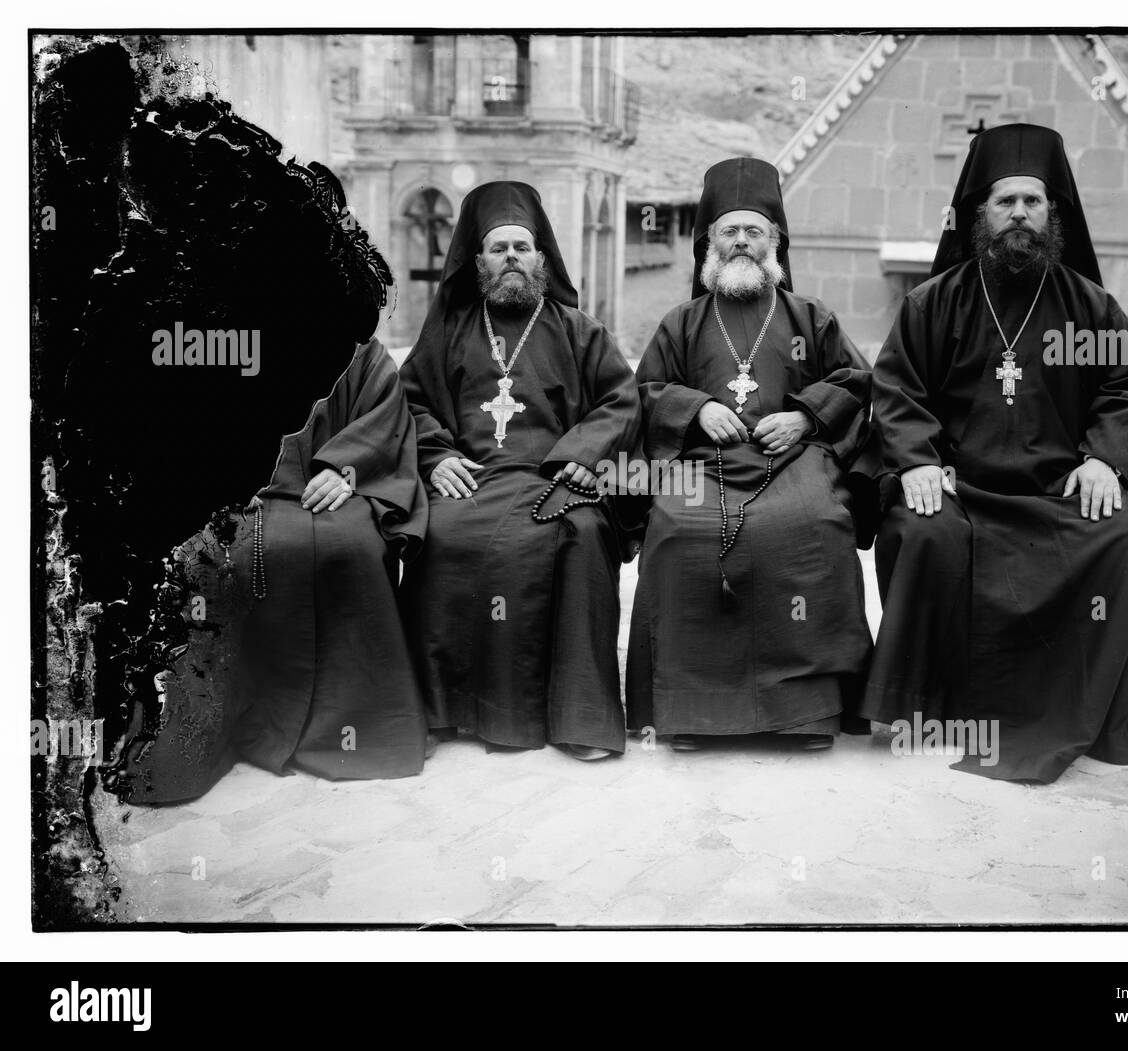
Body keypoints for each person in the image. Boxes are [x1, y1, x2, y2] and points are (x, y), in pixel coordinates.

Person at [863, 123, 1128, 783]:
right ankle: (930, 706)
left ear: (1052, 214)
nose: (1020, 215)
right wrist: (916, 460)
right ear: (979, 214)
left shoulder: (1088, 307)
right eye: (1006, 202)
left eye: (1033, 202)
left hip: (1055, 493)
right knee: (923, 532)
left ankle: (1090, 705)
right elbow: (894, 390)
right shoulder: (935, 303)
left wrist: (1105, 460)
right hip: (959, 491)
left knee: (1124, 541)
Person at [626, 157, 873, 753]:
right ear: (708, 243)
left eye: (753, 231)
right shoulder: (681, 322)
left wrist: (805, 414)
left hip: (793, 462)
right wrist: (694, 408)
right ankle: (691, 712)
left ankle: (809, 712)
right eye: (729, 231)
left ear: (775, 243)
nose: (741, 241)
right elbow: (645, 391)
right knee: (678, 528)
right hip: (701, 463)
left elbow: (857, 379)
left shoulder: (809, 316)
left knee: (813, 524)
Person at [116, 337, 431, 802]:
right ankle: (214, 732)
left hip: (330, 493)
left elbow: (384, 415)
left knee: (351, 548)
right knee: (214, 559)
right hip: (239, 499)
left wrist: (345, 467)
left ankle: (354, 731)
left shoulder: (360, 346)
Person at [399, 181, 640, 761]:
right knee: (439, 532)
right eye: (499, 247)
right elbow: (408, 402)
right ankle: (446, 709)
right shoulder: (449, 332)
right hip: (471, 479)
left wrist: (582, 459)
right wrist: (437, 456)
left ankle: (578, 717)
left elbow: (621, 401)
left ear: (542, 259)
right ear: (478, 261)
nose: (512, 257)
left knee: (580, 535)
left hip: (556, 480)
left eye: (523, 247)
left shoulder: (580, 331)